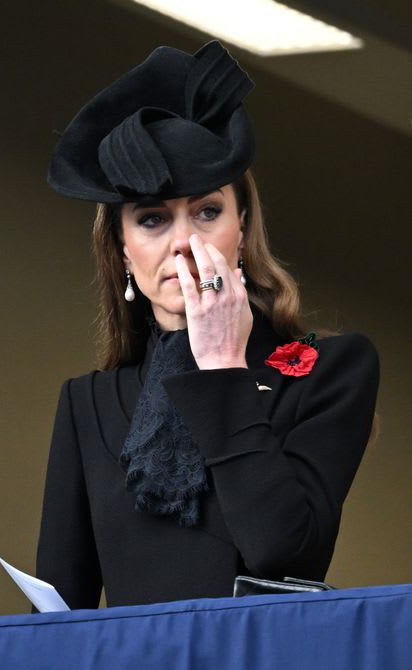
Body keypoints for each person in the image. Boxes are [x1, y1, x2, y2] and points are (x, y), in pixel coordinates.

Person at [36, 41, 379, 608]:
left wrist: (222, 365)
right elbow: (58, 606)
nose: (182, 241)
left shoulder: (331, 367)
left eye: (207, 211)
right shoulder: (86, 402)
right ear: (122, 251)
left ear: (241, 228)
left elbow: (285, 554)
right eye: (152, 219)